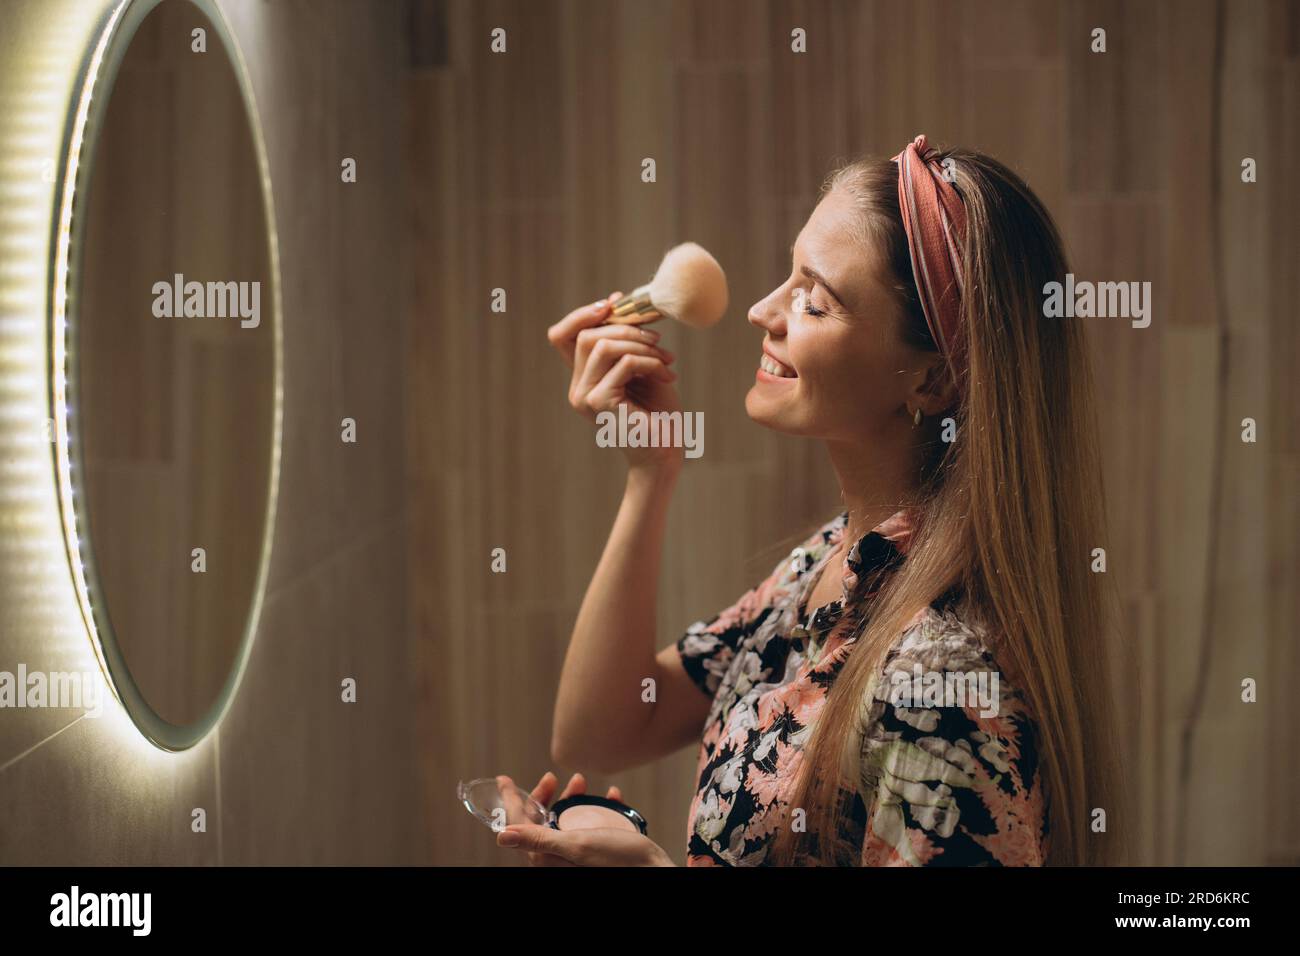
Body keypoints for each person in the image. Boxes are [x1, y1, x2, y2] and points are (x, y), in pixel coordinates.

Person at [499, 136, 1126, 867]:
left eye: (814, 301)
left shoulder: (942, 688)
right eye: (787, 278)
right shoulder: (833, 566)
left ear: (929, 382)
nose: (763, 311)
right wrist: (652, 470)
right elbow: (604, 731)